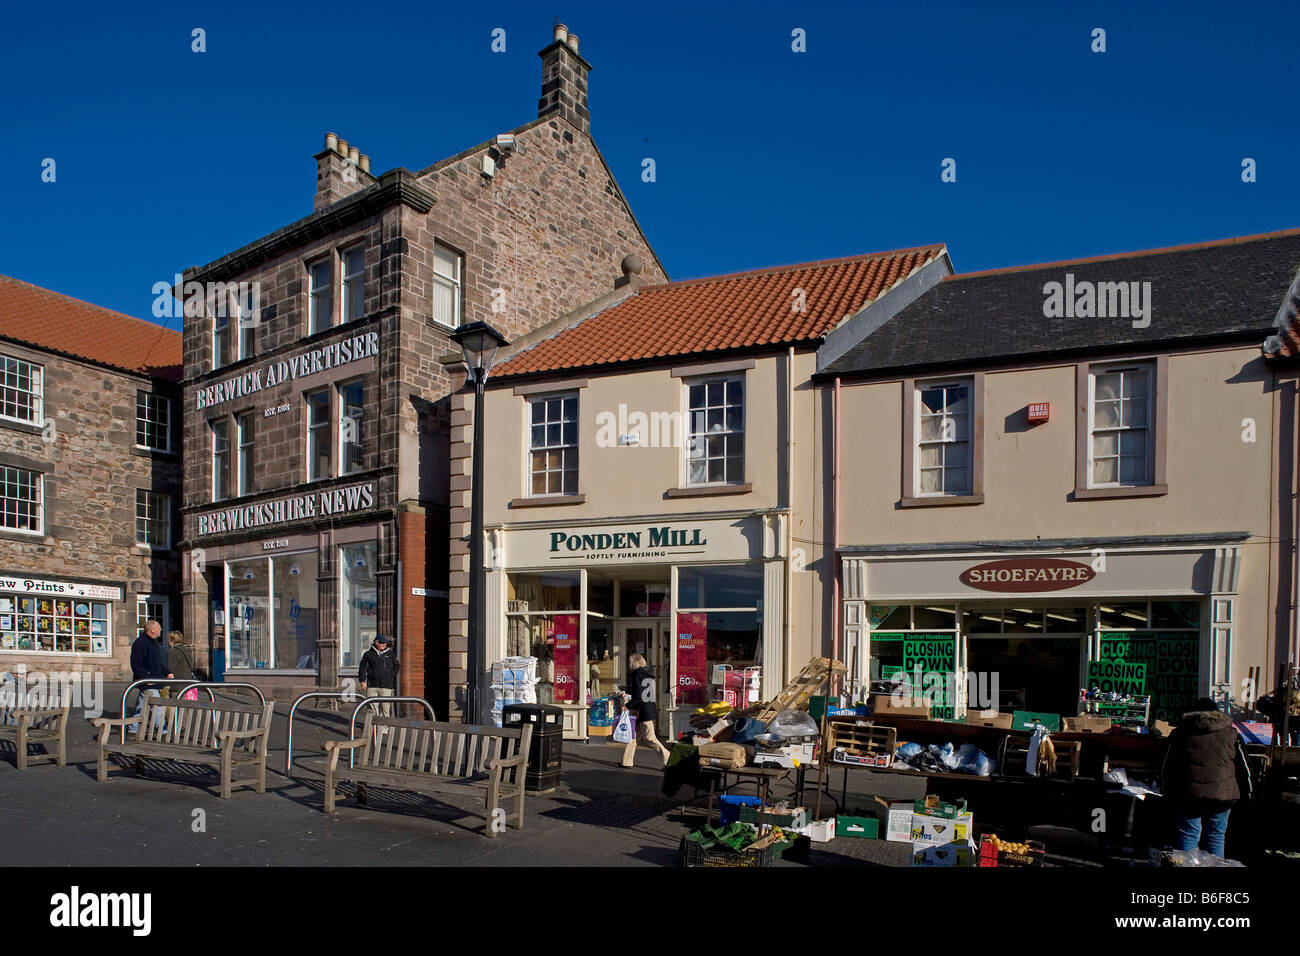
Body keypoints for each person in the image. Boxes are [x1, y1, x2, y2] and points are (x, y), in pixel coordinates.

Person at [1160, 697, 1252, 857]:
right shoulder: (1232, 734)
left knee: (1188, 834)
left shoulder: (1180, 732)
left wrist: (1165, 788)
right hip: (1222, 795)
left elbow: (1167, 765)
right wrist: (1249, 792)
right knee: (1216, 836)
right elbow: (1244, 767)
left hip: (1189, 794)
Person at [618, 653, 670, 769]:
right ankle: (627, 761)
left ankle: (668, 759)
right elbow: (641, 691)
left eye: (630, 662)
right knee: (632, 737)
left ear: (634, 662)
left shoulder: (637, 674)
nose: (629, 664)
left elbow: (639, 696)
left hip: (643, 711)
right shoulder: (647, 674)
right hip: (647, 709)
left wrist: (627, 706)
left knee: (650, 738)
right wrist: (625, 689)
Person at [128, 620, 171, 735]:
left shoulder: (153, 643)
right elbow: (136, 664)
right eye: (159, 628)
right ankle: (162, 729)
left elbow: (156, 663)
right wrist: (146, 677)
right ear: (152, 630)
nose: (161, 630)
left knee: (143, 705)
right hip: (149, 681)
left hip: (153, 679)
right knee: (158, 705)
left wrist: (166, 672)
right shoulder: (141, 643)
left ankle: (133, 729)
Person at [358, 634, 399, 717]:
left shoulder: (390, 654)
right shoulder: (368, 654)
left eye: (385, 643)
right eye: (382, 642)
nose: (384, 644)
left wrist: (390, 676)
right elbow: (362, 668)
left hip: (386, 686)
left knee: (385, 710)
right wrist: (362, 681)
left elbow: (397, 666)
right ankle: (374, 728)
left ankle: (384, 728)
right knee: (372, 710)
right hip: (372, 686)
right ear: (376, 642)